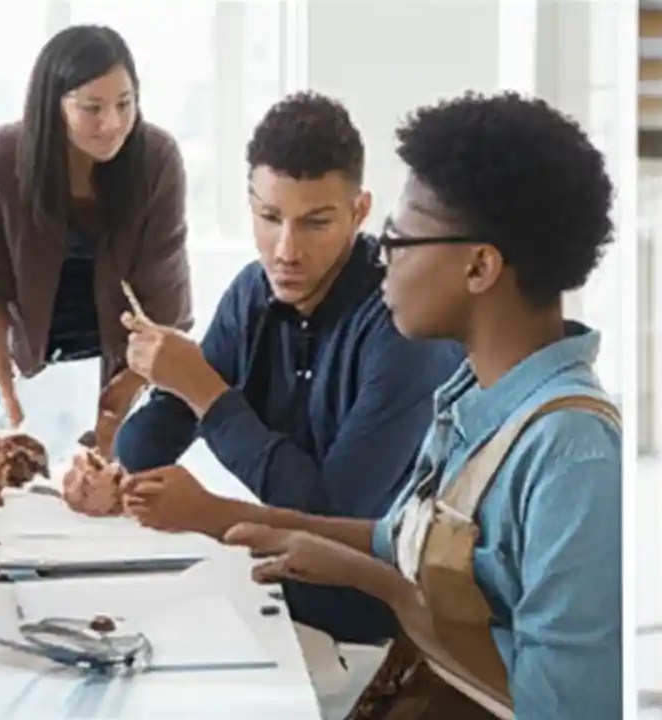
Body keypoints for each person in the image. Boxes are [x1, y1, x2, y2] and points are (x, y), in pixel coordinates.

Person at [210, 91, 621, 719]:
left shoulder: (570, 454)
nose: (382, 265)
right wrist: (275, 528)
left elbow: (563, 705)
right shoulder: (472, 397)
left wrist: (369, 579)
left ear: (480, 266)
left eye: (398, 241)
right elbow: (399, 538)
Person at [112, 91, 464, 644]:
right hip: (279, 595)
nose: (285, 250)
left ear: (360, 210)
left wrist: (202, 389)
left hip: (380, 630)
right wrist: (118, 462)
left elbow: (327, 517)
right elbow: (147, 448)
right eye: (269, 217)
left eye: (315, 223)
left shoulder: (404, 329)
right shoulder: (252, 294)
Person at [0, 25, 192, 429]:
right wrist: (8, 392)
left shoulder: (157, 159)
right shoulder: (0, 158)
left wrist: (113, 411)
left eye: (125, 103)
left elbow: (165, 308)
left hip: (122, 358)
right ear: (54, 105)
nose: (113, 123)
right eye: (92, 108)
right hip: (28, 357)